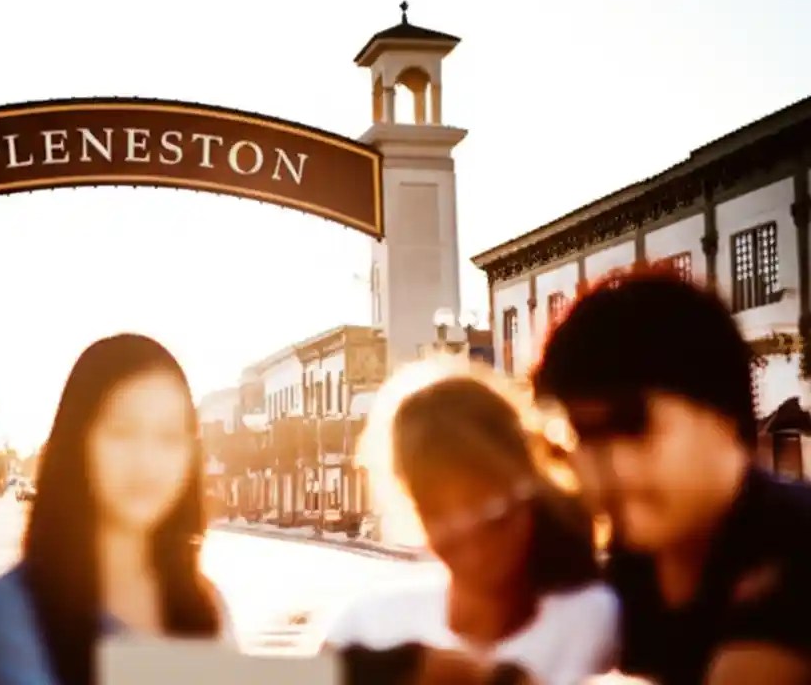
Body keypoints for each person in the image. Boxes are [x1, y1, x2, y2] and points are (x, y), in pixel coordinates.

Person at [533, 270, 811, 685]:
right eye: (582, 433)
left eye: (632, 423)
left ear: (722, 413)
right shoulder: (636, 562)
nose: (611, 465)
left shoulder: (796, 547)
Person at [325, 359, 619, 685]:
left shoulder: (593, 622)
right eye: (435, 508)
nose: (465, 525)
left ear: (527, 484)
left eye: (482, 497)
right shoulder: (371, 628)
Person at [0, 333, 229, 685]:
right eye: (122, 432)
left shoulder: (208, 607)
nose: (146, 460)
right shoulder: (10, 613)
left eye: (169, 436)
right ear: (78, 441)